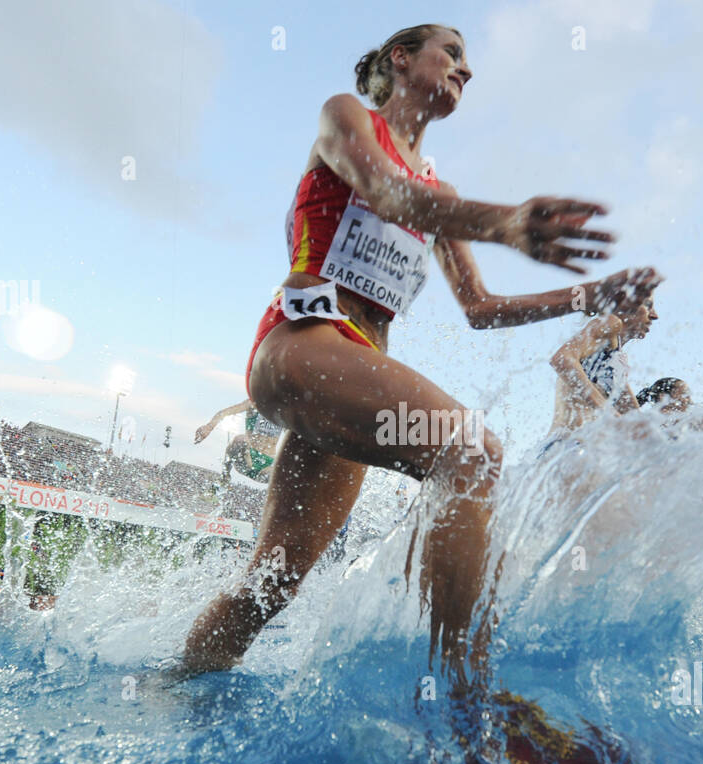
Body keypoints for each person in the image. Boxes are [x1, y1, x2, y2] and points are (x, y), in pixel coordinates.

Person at [180, 24, 660, 697]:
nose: (467, 70)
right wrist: (505, 223)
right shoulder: (347, 118)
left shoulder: (440, 187)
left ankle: (175, 684)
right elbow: (382, 191)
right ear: (400, 59)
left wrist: (588, 297)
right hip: (298, 350)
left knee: (274, 583)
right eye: (453, 53)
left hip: (348, 375)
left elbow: (481, 308)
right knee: (471, 452)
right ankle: (467, 702)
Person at [537, 302, 658, 460]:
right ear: (624, 304)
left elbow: (637, 422)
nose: (654, 315)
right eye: (648, 305)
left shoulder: (617, 361)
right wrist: (610, 414)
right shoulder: (610, 322)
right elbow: (562, 359)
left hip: (561, 451)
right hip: (571, 448)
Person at [195, 398, 282, 483]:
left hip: (268, 465)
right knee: (240, 439)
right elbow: (224, 413)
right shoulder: (253, 403)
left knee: (285, 472)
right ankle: (225, 476)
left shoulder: (285, 412)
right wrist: (209, 426)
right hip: (247, 458)